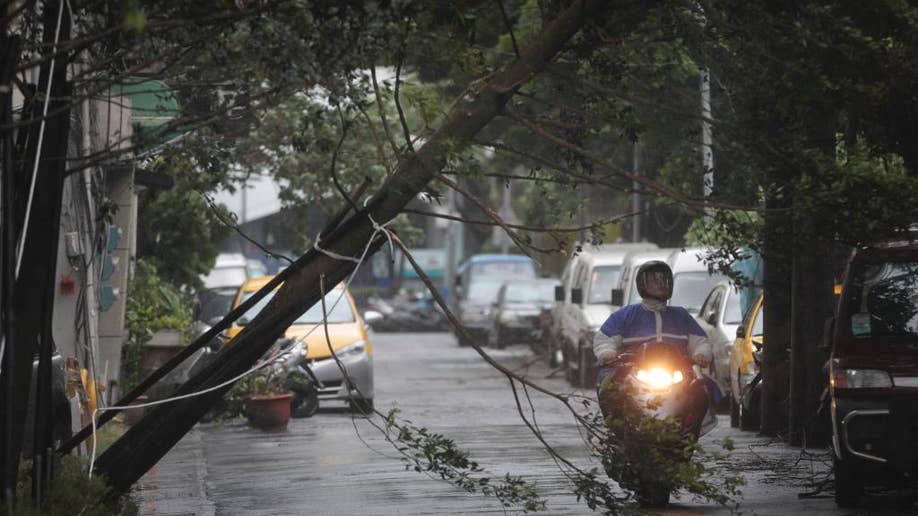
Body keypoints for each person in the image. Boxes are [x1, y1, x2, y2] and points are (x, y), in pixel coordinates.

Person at [593, 260, 718, 425]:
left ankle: (692, 428)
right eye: (654, 279)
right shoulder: (625, 315)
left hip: (677, 372)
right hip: (633, 372)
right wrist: (607, 353)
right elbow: (604, 338)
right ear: (642, 284)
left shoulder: (681, 316)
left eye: (664, 279)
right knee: (608, 386)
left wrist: (701, 354)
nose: (660, 283)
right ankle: (617, 425)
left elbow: (701, 341)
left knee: (701, 388)